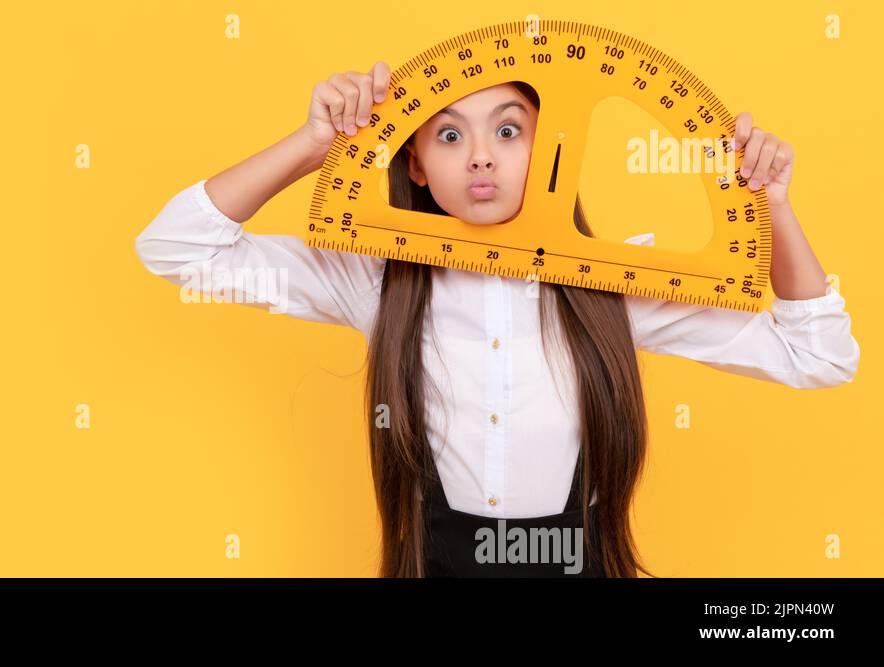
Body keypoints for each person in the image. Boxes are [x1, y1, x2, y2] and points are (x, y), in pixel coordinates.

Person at [133, 61, 860, 578]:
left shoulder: (612, 281)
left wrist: (771, 205)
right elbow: (176, 248)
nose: (480, 156)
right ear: (413, 163)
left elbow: (818, 354)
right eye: (448, 136)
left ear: (550, 150)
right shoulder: (375, 277)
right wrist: (313, 147)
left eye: (509, 131)